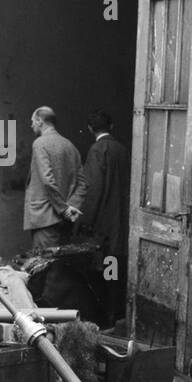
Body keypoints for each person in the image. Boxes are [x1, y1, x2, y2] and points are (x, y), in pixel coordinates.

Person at [78, 109, 130, 321]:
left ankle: (107, 315)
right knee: (115, 268)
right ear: (112, 126)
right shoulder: (122, 150)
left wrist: (84, 222)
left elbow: (93, 190)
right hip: (120, 220)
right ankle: (116, 312)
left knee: (103, 271)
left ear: (90, 129)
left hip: (103, 224)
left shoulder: (98, 150)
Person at [23, 106, 86, 250]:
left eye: (32, 121)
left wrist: (63, 209)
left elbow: (47, 180)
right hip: (65, 221)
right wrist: (72, 207)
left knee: (44, 266)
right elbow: (83, 183)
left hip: (44, 218)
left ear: (39, 121)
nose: (31, 125)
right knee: (61, 265)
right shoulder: (70, 145)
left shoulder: (39, 144)